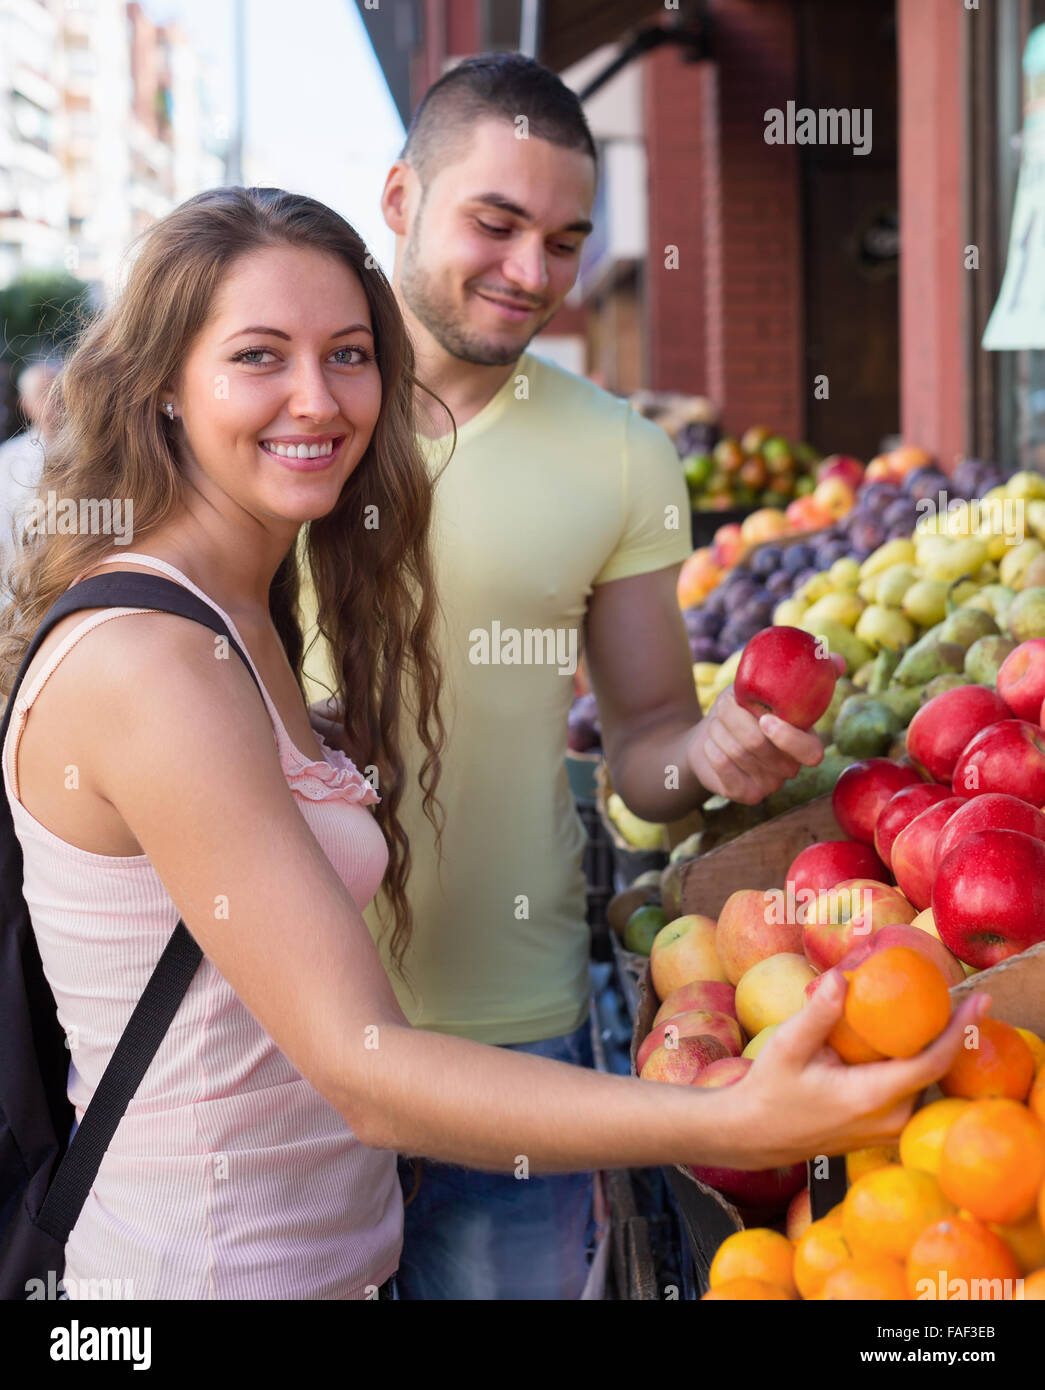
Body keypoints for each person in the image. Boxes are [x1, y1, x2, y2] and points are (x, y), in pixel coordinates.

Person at [0, 185, 985, 1303]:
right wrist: (718, 1115)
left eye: (350, 354)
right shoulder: (153, 660)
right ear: (163, 389)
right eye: (259, 356)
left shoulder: (238, 614)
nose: (318, 399)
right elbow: (364, 1069)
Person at [294, 57, 976, 1299]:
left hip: (513, 1040)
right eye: (493, 223)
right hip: (263, 1032)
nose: (532, 273)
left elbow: (647, 751)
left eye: (564, 240)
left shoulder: (618, 454)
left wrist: (708, 754)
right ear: (398, 197)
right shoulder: (289, 418)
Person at [0, 360, 62, 578]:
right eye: (43, 393)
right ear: (25, 403)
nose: (53, 401)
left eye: (58, 391)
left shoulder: (90, 451)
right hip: (21, 580)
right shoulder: (8, 458)